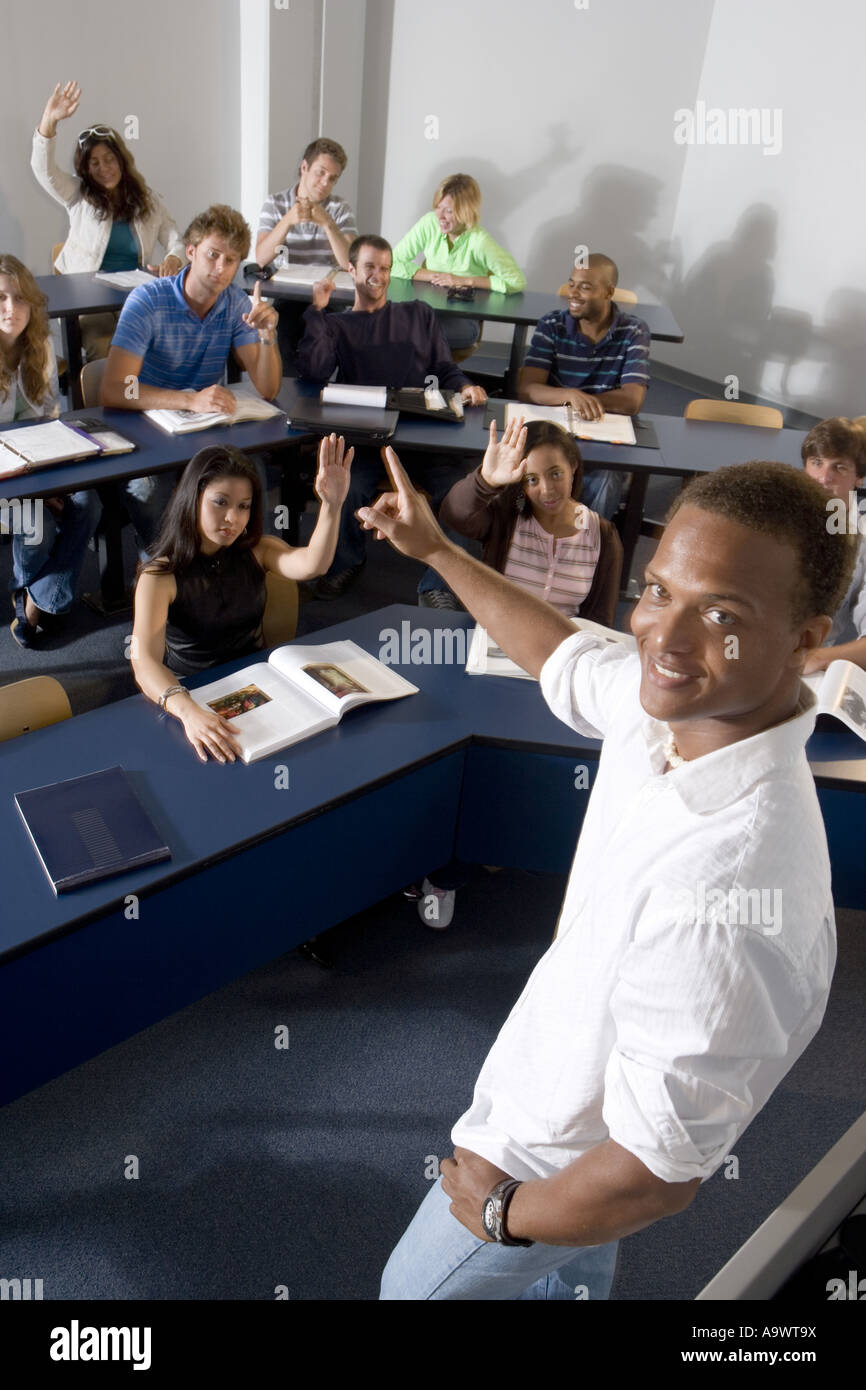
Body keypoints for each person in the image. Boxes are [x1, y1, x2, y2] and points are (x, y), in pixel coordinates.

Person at [356, 449, 854, 1300]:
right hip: (573, 1102)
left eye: (721, 612)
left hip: (543, 1166)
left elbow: (655, 1174)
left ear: (808, 642)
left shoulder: (733, 892)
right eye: (660, 590)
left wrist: (507, 1213)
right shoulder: (683, 702)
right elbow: (562, 654)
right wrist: (439, 550)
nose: (663, 636)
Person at [130, 436, 352, 761]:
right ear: (193, 499)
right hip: (194, 691)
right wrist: (188, 711)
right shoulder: (158, 575)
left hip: (256, 679)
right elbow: (143, 661)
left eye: (243, 506)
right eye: (220, 502)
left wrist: (332, 505)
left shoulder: (258, 549)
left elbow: (312, 564)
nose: (232, 518)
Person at [297, 234, 486, 601]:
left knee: (461, 494)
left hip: (424, 437)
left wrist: (463, 386)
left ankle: (439, 583)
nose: (379, 276)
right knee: (348, 489)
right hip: (368, 440)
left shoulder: (418, 314)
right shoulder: (338, 324)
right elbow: (314, 373)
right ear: (351, 270)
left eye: (385, 268)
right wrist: (317, 312)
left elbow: (445, 369)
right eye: (369, 267)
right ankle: (345, 562)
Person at [100, 204, 281, 552]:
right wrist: (189, 400)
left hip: (200, 426)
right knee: (148, 489)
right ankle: (160, 567)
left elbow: (268, 388)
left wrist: (268, 337)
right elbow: (114, 388)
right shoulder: (147, 301)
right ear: (192, 251)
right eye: (213, 255)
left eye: (230, 261)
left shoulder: (234, 304)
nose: (220, 268)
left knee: (251, 473)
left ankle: (235, 568)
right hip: (144, 421)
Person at [31, 81, 186, 360]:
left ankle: (151, 401)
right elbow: (43, 170)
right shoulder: (78, 195)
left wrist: (175, 258)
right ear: (85, 169)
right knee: (105, 349)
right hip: (91, 304)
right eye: (94, 163)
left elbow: (176, 238)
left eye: (109, 159)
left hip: (135, 299)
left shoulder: (146, 199)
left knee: (166, 343)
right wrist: (49, 121)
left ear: (121, 160)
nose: (104, 168)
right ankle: (110, 401)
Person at [0, 254, 100, 648]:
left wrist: (56, 479)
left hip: (40, 466)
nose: (11, 308)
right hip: (6, 480)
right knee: (36, 525)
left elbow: (51, 418)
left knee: (88, 502)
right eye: (1, 298)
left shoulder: (40, 344)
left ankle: (34, 602)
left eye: (20, 299)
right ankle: (41, 599)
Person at [518, 253, 650, 519]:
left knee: (606, 476)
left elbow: (633, 400)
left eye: (585, 287)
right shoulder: (552, 324)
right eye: (572, 284)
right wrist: (570, 395)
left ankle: (585, 547)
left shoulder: (634, 331)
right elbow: (527, 388)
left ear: (608, 293)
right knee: (542, 470)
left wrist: (589, 402)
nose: (574, 293)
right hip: (554, 429)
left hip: (605, 432)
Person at [390, 174, 526, 355]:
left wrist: (464, 280)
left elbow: (516, 281)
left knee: (413, 334)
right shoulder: (429, 223)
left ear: (466, 212)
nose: (440, 216)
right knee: (389, 325)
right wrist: (431, 275)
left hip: (463, 321)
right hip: (426, 312)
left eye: (449, 211)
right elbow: (391, 262)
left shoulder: (480, 241)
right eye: (438, 207)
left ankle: (428, 380)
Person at [255, 138, 358, 373]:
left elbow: (349, 263)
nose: (325, 183)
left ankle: (316, 397)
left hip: (329, 299)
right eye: (320, 173)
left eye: (332, 178)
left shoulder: (339, 209)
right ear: (304, 168)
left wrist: (327, 223)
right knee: (285, 335)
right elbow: (261, 258)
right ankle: (290, 399)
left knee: (324, 339)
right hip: (287, 297)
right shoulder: (276, 203)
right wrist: (288, 220)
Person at [800, 417, 866, 675]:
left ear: (859, 477)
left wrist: (817, 658)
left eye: (838, 468)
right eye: (816, 463)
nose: (824, 478)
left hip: (805, 663)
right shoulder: (770, 516)